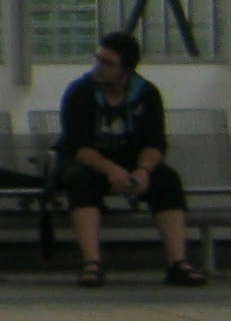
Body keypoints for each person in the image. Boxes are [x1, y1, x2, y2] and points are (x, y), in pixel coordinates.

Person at [57, 31, 203, 287]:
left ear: (125, 69)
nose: (98, 67)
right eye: (98, 60)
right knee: (78, 180)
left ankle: (177, 262)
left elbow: (155, 142)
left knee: (167, 180)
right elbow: (77, 145)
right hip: (91, 163)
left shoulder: (146, 94)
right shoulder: (80, 92)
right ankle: (91, 262)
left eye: (107, 63)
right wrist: (112, 170)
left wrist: (143, 171)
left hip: (132, 162)